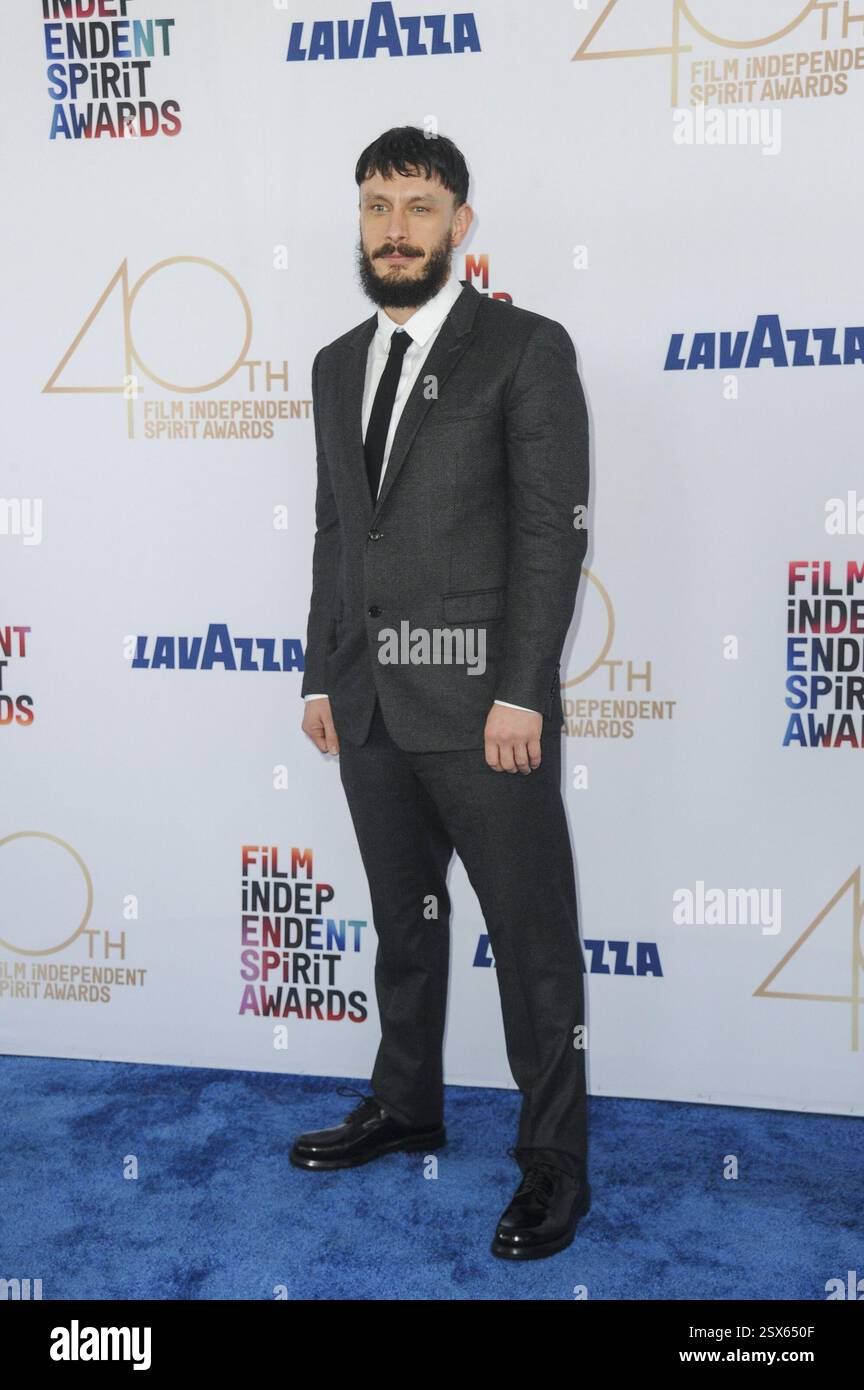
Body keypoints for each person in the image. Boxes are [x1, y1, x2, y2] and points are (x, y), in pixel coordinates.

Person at [291, 125, 591, 1261]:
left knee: (532, 939)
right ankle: (406, 1100)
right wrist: (322, 668)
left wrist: (522, 692)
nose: (395, 229)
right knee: (406, 927)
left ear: (461, 224)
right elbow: (337, 533)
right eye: (377, 207)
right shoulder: (333, 363)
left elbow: (548, 538)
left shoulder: (523, 348)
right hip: (368, 703)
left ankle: (554, 1162)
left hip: (485, 712)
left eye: (419, 207)